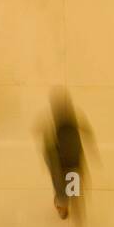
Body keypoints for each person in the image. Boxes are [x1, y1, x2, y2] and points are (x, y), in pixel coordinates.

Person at [41, 88, 95, 220]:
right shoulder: (74, 123)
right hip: (72, 162)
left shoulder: (57, 126)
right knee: (70, 184)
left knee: (61, 188)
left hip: (63, 162)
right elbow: (86, 132)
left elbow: (50, 154)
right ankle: (68, 201)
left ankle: (64, 205)